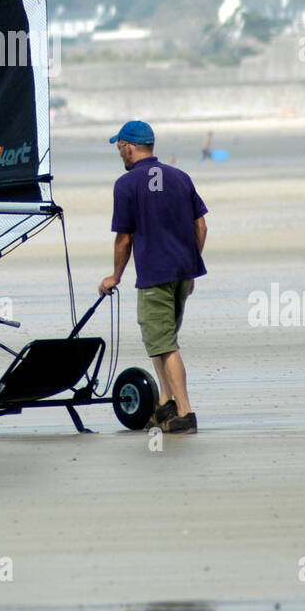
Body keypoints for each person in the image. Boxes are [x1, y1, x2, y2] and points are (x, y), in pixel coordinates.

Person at [98, 120, 207, 434]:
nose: (120, 153)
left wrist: (115, 276)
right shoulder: (181, 177)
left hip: (155, 276)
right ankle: (164, 403)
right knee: (161, 340)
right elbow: (201, 226)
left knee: (164, 343)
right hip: (183, 274)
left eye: (120, 147)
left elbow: (123, 239)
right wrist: (191, 263)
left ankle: (185, 412)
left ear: (130, 146)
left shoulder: (126, 184)